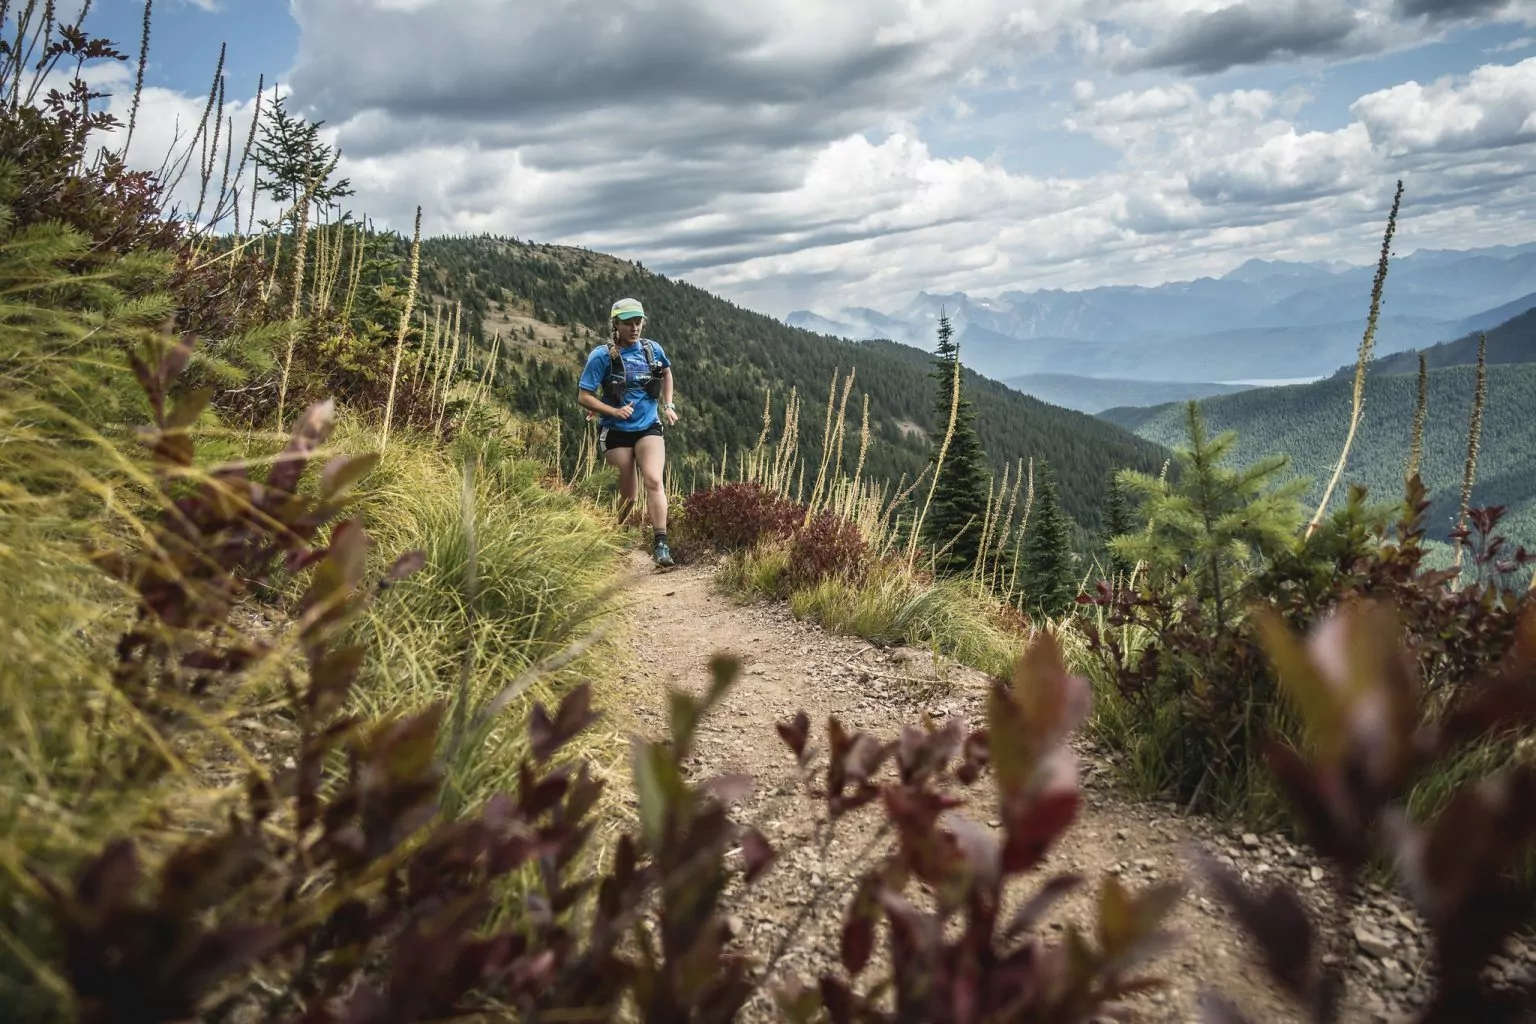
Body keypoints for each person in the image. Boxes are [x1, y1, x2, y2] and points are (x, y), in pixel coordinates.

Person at [577, 297, 679, 567]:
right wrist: (612, 411)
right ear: (616, 325)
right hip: (615, 431)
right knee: (629, 495)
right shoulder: (601, 356)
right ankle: (617, 539)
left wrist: (668, 405)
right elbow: (584, 396)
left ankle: (661, 544)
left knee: (655, 481)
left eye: (638, 323)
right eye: (628, 324)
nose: (635, 328)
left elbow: (666, 373)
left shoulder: (652, 349)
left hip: (648, 427)